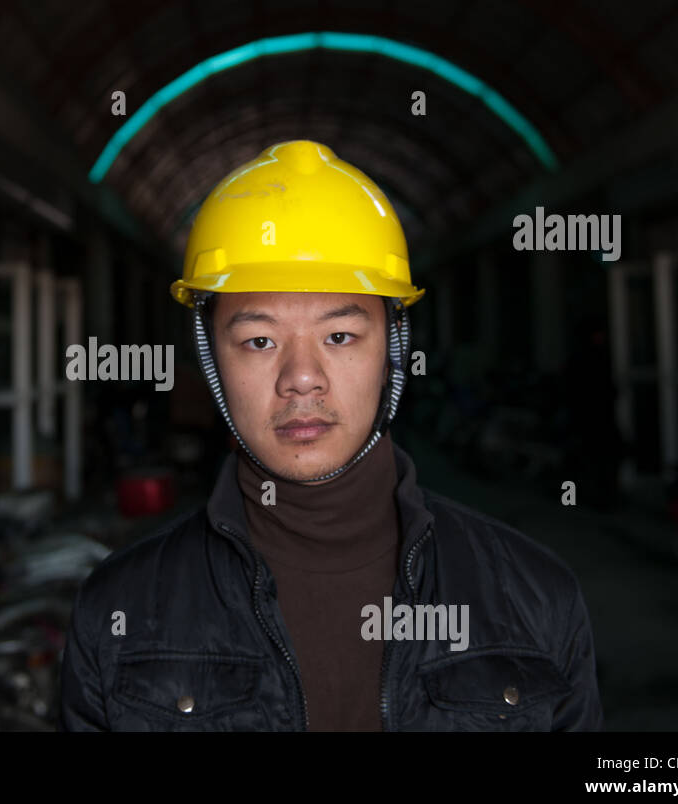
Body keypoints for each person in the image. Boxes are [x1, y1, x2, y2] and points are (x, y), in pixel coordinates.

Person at [58, 140, 603, 731]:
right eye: (260, 341)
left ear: (392, 350)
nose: (301, 379)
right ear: (212, 359)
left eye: (340, 336)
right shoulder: (118, 613)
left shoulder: (534, 599)